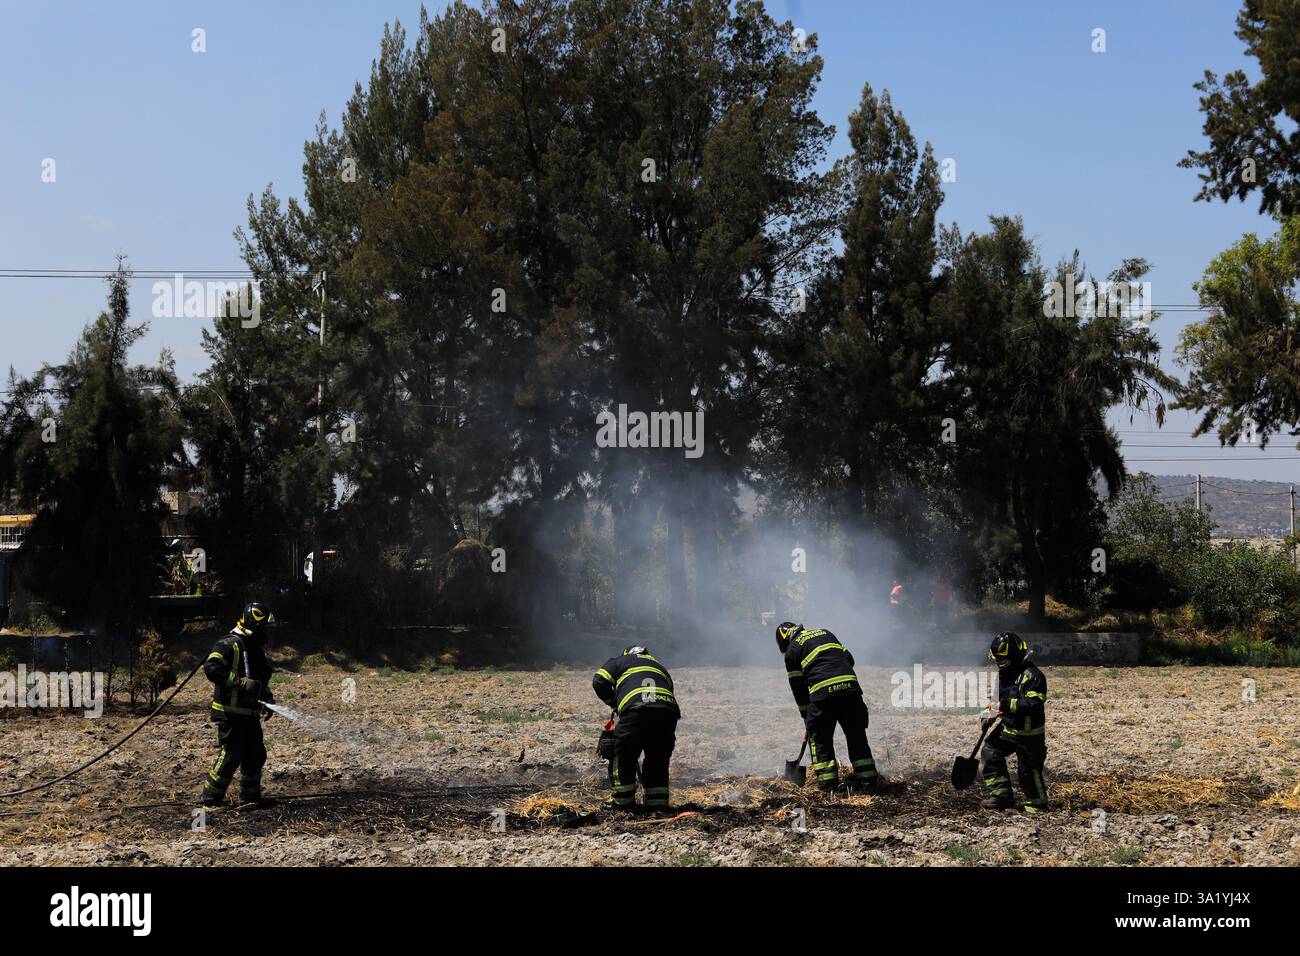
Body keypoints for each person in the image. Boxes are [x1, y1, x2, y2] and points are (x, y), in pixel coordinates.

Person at [776, 622, 878, 793]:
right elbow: (850, 659)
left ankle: (829, 788)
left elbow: (798, 688)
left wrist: (806, 715)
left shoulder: (793, 650)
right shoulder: (826, 633)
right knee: (857, 736)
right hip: (851, 692)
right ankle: (869, 783)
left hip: (823, 697)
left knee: (820, 740)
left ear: (784, 640)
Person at [200, 602, 275, 807]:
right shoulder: (228, 644)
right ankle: (211, 799)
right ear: (254, 623)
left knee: (256, 754)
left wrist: (267, 698)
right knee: (231, 755)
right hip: (230, 713)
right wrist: (239, 682)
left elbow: (260, 679)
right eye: (263, 627)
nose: (266, 633)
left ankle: (250, 797)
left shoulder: (255, 649)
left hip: (250, 713)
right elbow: (212, 668)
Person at [592, 645, 680, 811]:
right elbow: (668, 692)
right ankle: (657, 804)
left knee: (623, 754)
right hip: (667, 712)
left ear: (626, 654)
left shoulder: (620, 661)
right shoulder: (660, 666)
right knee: (657, 758)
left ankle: (623, 803)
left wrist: (615, 703)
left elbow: (599, 681)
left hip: (636, 711)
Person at [981, 632, 1049, 813]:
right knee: (990, 753)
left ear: (1015, 656)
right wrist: (988, 714)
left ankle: (1037, 806)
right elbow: (997, 700)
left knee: (1028, 772)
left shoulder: (1033, 676)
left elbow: (1033, 705)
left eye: (1002, 661)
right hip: (1008, 730)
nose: (999, 665)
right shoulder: (1004, 675)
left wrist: (1005, 705)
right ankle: (1001, 797)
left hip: (1029, 735)